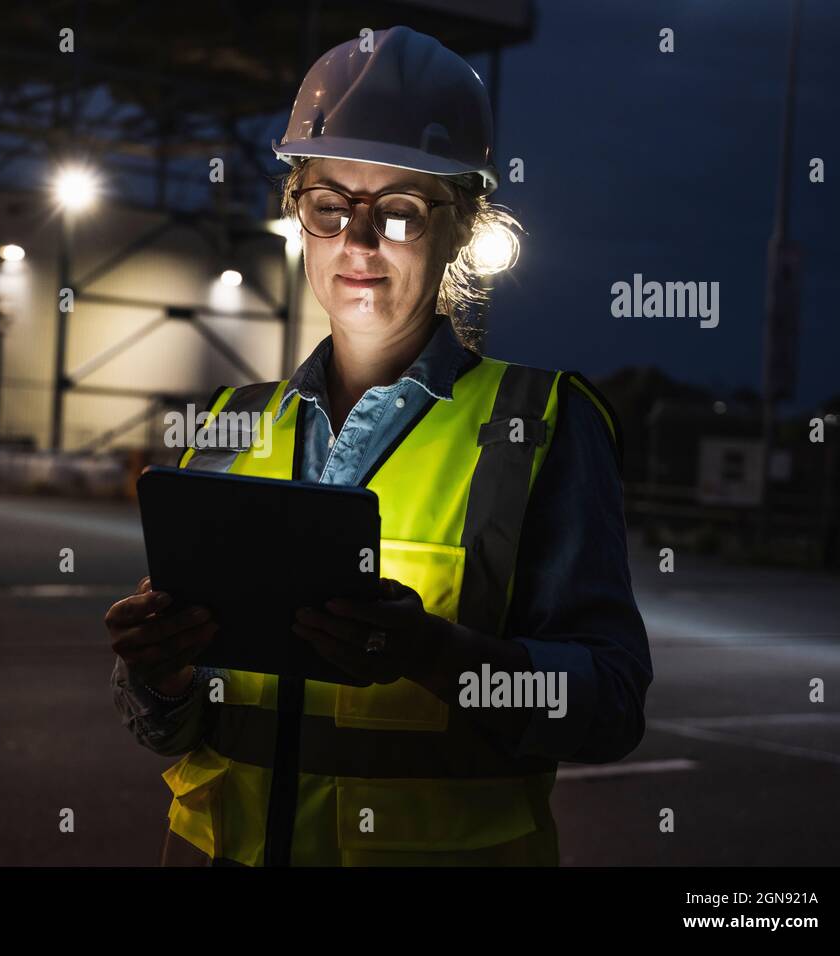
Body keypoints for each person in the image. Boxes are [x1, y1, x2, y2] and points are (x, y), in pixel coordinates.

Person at [105, 25, 652, 866]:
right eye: (332, 206)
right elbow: (169, 728)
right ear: (301, 215)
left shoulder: (542, 426)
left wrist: (438, 655)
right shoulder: (225, 425)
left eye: (398, 210)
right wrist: (159, 673)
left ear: (462, 227)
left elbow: (610, 707)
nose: (358, 242)